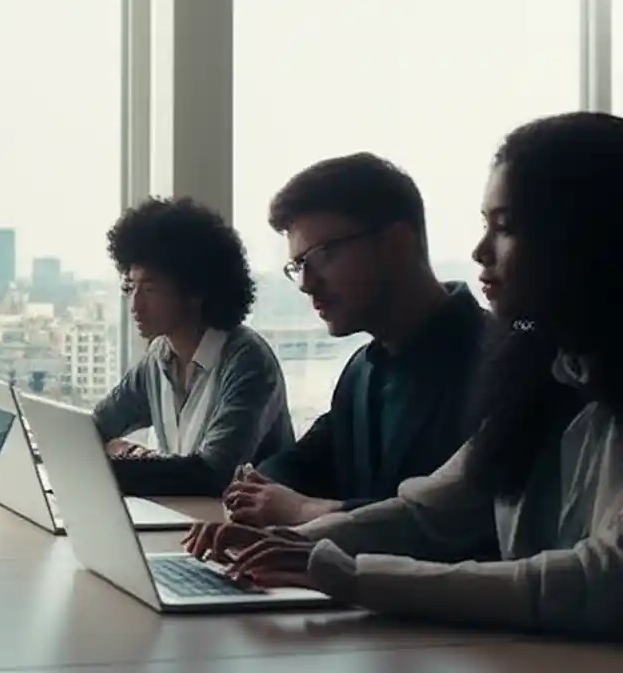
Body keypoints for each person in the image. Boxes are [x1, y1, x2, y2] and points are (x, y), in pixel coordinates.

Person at [186, 112, 623, 640]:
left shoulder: (493, 358)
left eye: (505, 227)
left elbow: (602, 581)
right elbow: (428, 512)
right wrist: (296, 543)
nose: (480, 251)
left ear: (588, 236)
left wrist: (345, 570)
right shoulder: (542, 367)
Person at [223, 153, 488, 526]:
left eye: (323, 255)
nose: (306, 284)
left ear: (397, 243)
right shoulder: (363, 370)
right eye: (298, 266)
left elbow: (465, 526)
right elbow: (300, 463)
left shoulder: (499, 361)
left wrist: (306, 510)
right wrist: (259, 488)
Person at [92, 198, 294, 496]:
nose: (135, 304)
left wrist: (104, 466)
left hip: (246, 533)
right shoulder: (158, 357)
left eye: (149, 289)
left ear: (195, 290)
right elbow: (96, 427)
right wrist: (115, 450)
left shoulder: (247, 361)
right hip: (184, 522)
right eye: (129, 287)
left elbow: (214, 472)